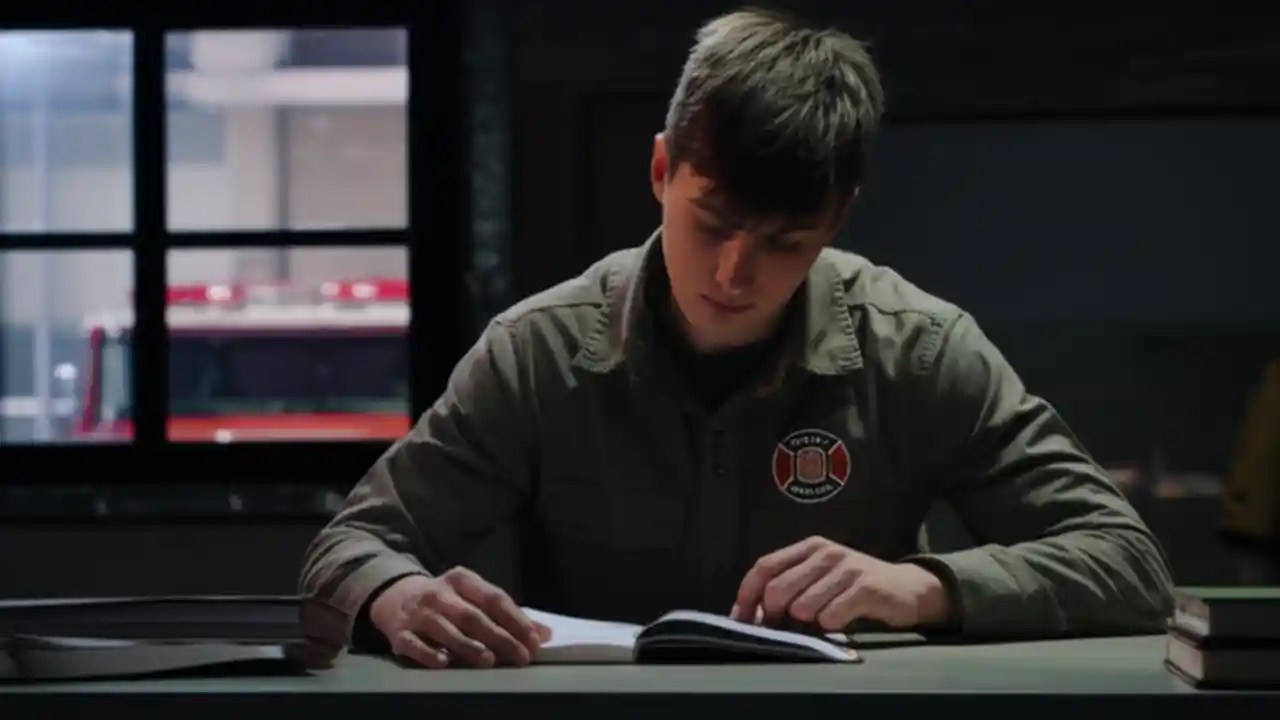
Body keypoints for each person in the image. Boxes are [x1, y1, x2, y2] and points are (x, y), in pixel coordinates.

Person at [298, 6, 1176, 670]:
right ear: (659, 170)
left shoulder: (919, 349)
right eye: (712, 221)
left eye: (784, 243)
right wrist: (399, 593)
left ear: (837, 219)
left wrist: (923, 589)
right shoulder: (538, 351)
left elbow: (1128, 564)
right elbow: (348, 545)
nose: (732, 274)